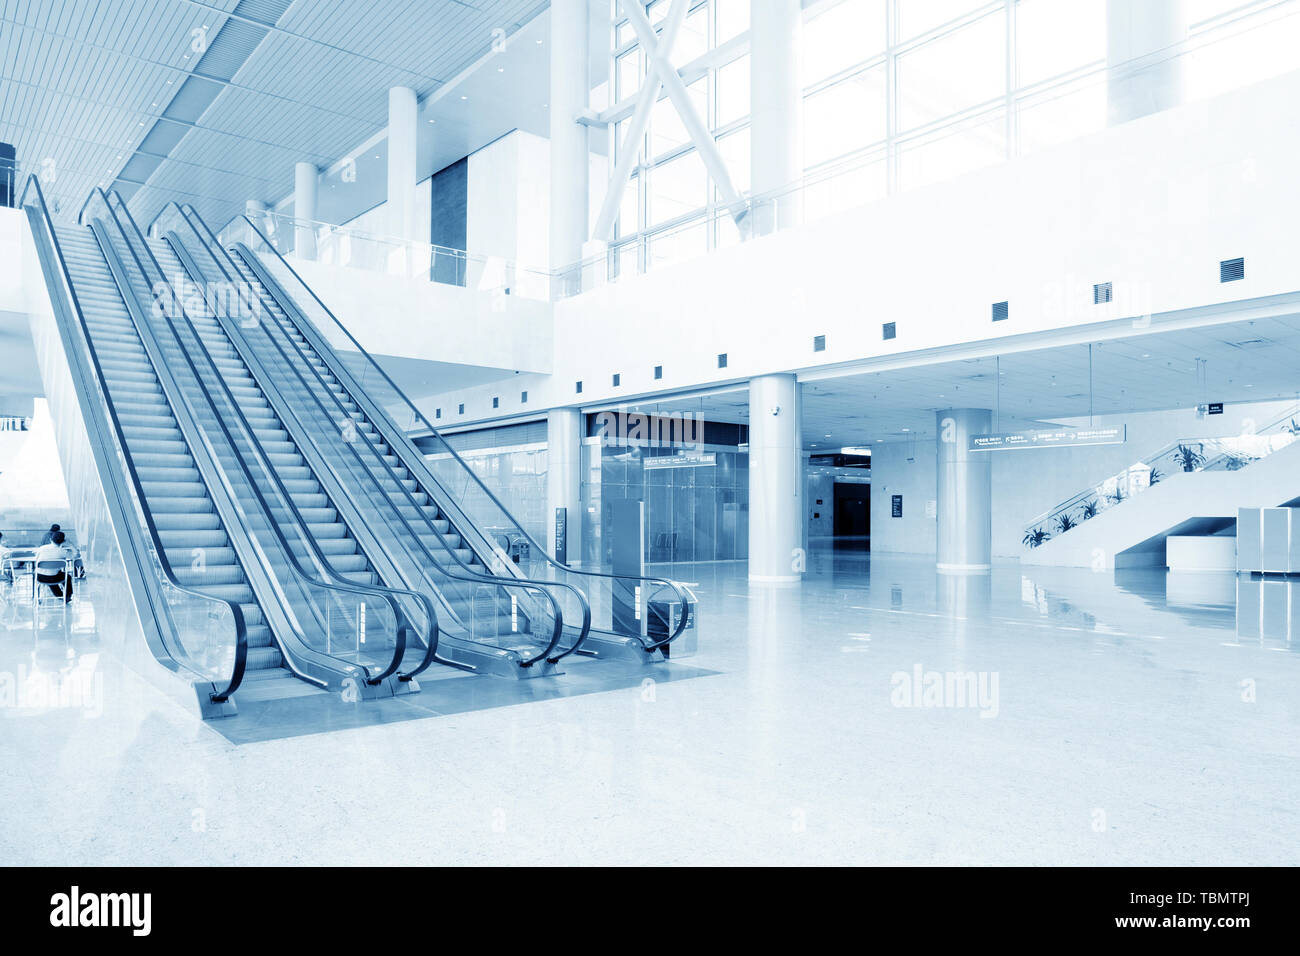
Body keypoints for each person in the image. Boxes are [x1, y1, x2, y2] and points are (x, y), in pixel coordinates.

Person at [34, 530, 76, 603]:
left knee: (52, 574)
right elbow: (74, 556)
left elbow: (36, 560)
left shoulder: (41, 548)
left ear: (50, 539)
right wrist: (71, 545)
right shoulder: (62, 551)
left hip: (40, 577)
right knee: (66, 577)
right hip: (54, 577)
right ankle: (67, 596)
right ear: (63, 541)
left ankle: (37, 598)